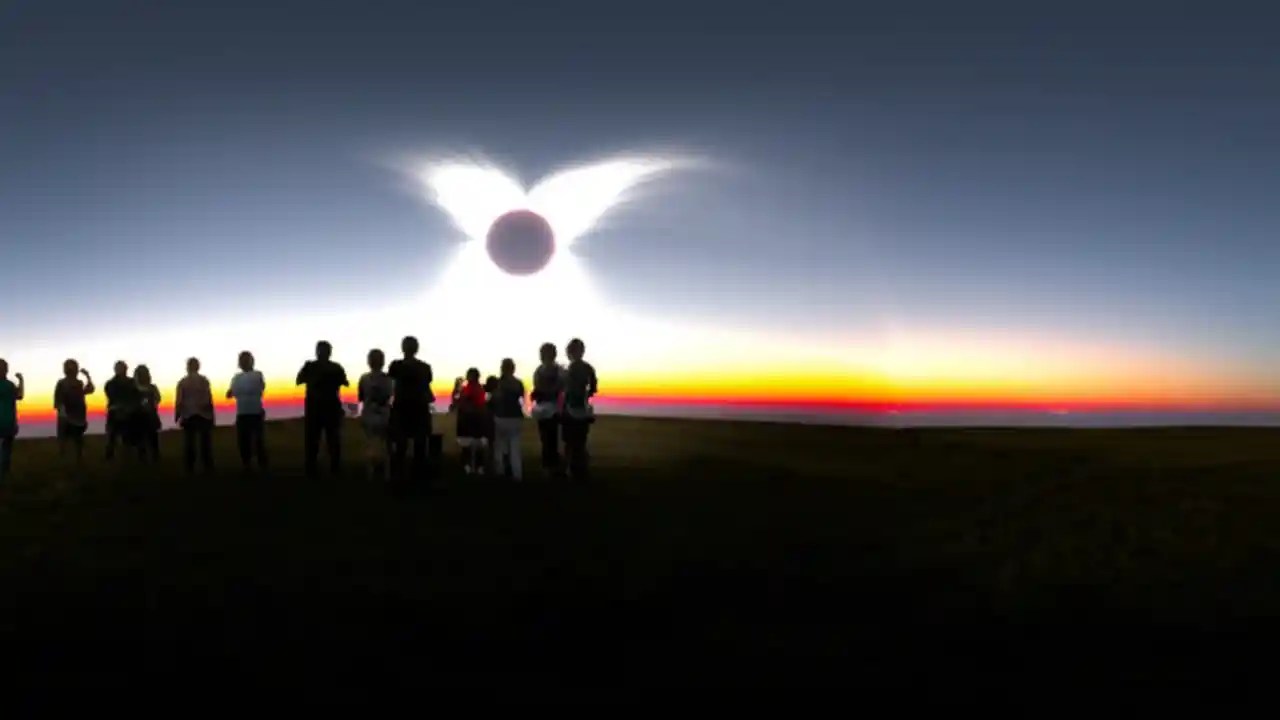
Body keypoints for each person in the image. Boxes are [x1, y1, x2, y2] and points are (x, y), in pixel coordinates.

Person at [296, 341, 349, 478]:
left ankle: (315, 468)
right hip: (324, 407)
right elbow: (345, 382)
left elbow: (299, 380)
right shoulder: (334, 367)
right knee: (328, 439)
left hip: (320, 408)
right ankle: (330, 467)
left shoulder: (312, 366)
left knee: (318, 439)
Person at [387, 336, 433, 482]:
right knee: (419, 447)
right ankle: (418, 478)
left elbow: (392, 382)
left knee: (400, 447)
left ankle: (399, 477)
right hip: (419, 409)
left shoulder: (396, 366)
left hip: (401, 409)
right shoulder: (425, 367)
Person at [562, 338, 598, 481]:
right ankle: (580, 469)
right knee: (579, 442)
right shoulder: (588, 368)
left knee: (570, 442)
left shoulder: (569, 369)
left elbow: (566, 389)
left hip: (572, 408)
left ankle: (571, 469)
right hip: (582, 409)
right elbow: (593, 387)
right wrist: (586, 396)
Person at [227, 351, 268, 471]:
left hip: (249, 412)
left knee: (251, 440)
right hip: (249, 412)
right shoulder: (255, 375)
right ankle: (252, 463)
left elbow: (231, 393)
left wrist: (236, 391)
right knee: (250, 440)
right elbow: (259, 388)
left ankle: (253, 463)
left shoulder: (241, 377)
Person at [358, 349, 395, 481]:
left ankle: (371, 473)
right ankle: (387, 473)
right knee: (386, 446)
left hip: (369, 415)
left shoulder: (364, 378)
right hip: (385, 415)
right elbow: (390, 396)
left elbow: (361, 397)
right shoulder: (390, 379)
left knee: (369, 444)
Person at [530, 342, 565, 477]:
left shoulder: (548, 370)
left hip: (552, 409)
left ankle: (551, 466)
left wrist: (542, 392)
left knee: (550, 439)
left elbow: (558, 387)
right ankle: (550, 466)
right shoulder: (544, 370)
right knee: (547, 439)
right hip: (546, 409)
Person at [175, 357, 215, 472]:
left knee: (190, 442)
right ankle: (208, 466)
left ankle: (190, 467)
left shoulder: (183, 382)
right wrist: (212, 415)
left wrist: (177, 414)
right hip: (204, 414)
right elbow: (209, 398)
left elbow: (179, 400)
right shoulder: (204, 380)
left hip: (189, 415)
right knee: (205, 443)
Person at [491, 359, 526, 481]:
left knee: (500, 447)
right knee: (515, 448)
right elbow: (521, 398)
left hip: (500, 417)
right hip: (515, 417)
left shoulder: (498, 383)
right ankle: (517, 474)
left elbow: (494, 399)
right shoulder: (518, 383)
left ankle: (500, 471)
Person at [53, 360, 94, 463]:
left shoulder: (79, 383)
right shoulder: (62, 383)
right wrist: (63, 416)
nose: (71, 370)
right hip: (66, 418)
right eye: (69, 367)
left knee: (78, 442)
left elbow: (90, 389)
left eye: (73, 367)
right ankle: (64, 462)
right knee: (64, 443)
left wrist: (88, 376)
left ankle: (77, 462)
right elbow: (58, 401)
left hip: (79, 417)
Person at [454, 368, 489, 475]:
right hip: (478, 419)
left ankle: (468, 467)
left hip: (468, 419)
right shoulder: (480, 389)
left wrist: (457, 389)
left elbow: (458, 401)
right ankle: (478, 467)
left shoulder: (468, 389)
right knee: (477, 445)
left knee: (467, 446)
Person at [104, 360, 140, 461]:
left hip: (129, 413)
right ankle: (110, 457)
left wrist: (130, 407)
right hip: (115, 413)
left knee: (128, 437)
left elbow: (137, 397)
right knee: (112, 436)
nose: (121, 370)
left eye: (123, 368)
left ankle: (127, 457)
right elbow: (112, 396)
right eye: (119, 368)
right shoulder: (111, 383)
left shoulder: (132, 382)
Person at [0, 360, 24, 483]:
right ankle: (5, 474)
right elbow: (20, 395)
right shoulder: (9, 385)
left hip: (8, 422)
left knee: (6, 449)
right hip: (9, 422)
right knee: (6, 450)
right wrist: (21, 381)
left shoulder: (9, 385)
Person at [133, 365, 162, 462]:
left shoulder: (151, 387)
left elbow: (157, 399)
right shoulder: (137, 388)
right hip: (141, 415)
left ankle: (152, 457)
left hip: (149, 415)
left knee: (151, 438)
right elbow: (157, 399)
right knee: (143, 438)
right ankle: (145, 457)